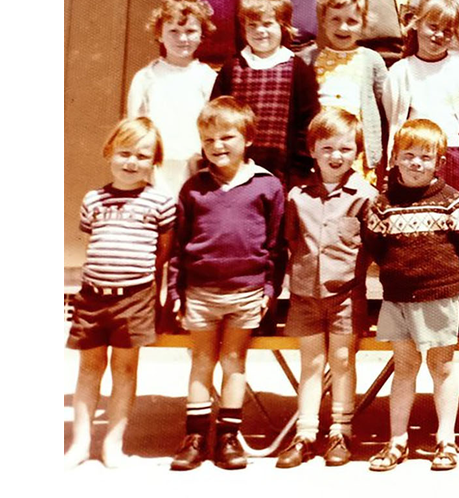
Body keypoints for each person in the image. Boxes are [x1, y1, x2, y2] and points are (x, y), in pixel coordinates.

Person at [168, 97, 286, 471]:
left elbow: (275, 245)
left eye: (227, 137)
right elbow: (177, 246)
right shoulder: (193, 188)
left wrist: (269, 289)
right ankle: (196, 437)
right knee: (202, 361)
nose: (218, 146)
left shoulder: (267, 186)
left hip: (247, 291)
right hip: (200, 292)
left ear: (247, 137)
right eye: (209, 140)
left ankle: (228, 437)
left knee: (234, 361)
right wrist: (174, 290)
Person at [364, 119, 459, 472]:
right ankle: (397, 440)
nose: (416, 163)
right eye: (408, 155)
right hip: (398, 298)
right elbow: (375, 248)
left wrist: (445, 279)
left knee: (442, 367)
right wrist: (398, 276)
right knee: (405, 368)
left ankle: (446, 439)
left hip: (439, 296)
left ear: (439, 161)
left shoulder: (452, 202)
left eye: (425, 157)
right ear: (395, 158)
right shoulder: (382, 204)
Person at [65, 118, 176, 469]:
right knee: (89, 368)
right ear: (109, 152)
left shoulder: (160, 203)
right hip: (93, 295)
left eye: (142, 156)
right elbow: (93, 241)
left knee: (125, 370)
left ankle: (114, 442)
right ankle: (81, 442)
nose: (132, 162)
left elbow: (163, 253)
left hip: (135, 297)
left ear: (154, 162)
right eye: (124, 153)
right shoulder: (93, 200)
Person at [275, 109, 377, 468]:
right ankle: (305, 434)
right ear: (313, 151)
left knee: (342, 361)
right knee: (312, 363)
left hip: (346, 296)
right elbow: (290, 241)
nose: (336, 156)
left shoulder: (366, 196)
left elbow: (372, 249)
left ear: (357, 153)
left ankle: (341, 431)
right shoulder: (297, 197)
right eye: (328, 147)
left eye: (346, 149)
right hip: (304, 296)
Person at [211, 0, 320, 192]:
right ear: (243, 29)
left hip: (284, 171)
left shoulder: (298, 69)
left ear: (283, 27)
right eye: (252, 25)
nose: (260, 31)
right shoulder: (231, 68)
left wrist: (300, 169)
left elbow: (308, 122)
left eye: (268, 24)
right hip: (235, 169)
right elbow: (215, 118)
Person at [380, 0, 459, 192]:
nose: (439, 35)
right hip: (413, 159)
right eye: (433, 27)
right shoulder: (401, 72)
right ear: (417, 23)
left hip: (453, 156)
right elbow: (393, 118)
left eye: (447, 31)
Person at [126, 0, 218, 195]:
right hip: (156, 167)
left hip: (195, 165)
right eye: (173, 30)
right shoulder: (146, 77)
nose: (182, 38)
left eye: (190, 30)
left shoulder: (207, 77)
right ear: (159, 33)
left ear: (202, 34)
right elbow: (135, 125)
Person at [311, 0, 387, 184]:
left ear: (363, 25)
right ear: (324, 21)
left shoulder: (371, 60)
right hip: (323, 146)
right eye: (335, 19)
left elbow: (383, 107)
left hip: (357, 149)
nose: (343, 27)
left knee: (357, 195)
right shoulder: (313, 59)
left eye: (352, 21)